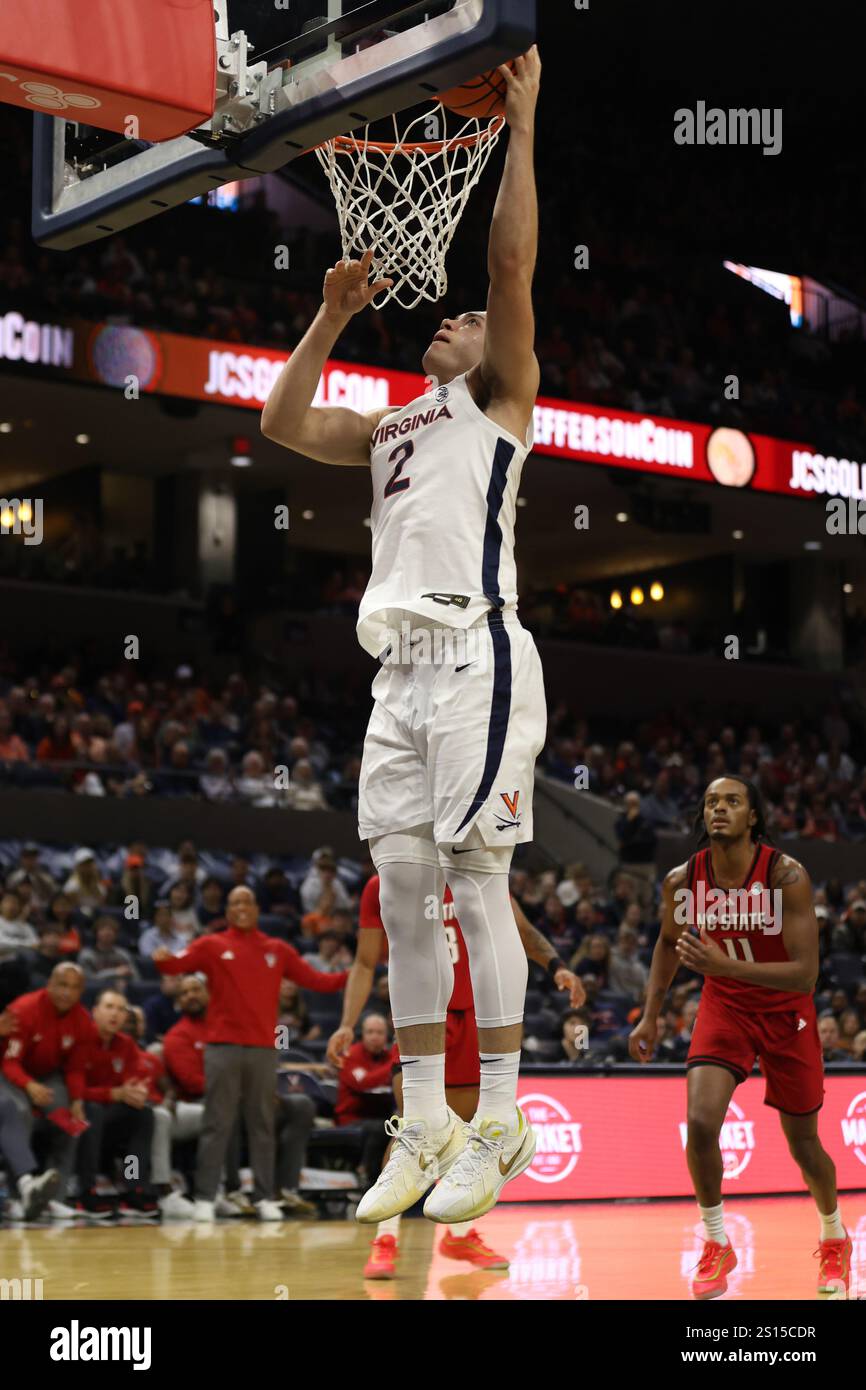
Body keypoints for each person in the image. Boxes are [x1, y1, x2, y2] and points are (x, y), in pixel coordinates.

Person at [262, 48, 545, 1224]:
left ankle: (503, 1115)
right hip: (399, 678)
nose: (458, 315)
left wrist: (522, 131)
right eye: (455, 313)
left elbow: (510, 260)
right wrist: (328, 314)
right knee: (405, 887)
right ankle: (424, 1115)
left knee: (478, 881)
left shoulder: (503, 401)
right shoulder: (387, 429)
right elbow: (281, 422)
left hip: (478, 652)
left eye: (471, 319)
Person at [629, 776, 851, 1299]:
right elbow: (666, 942)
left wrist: (723, 963)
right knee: (701, 1124)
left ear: (753, 816)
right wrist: (650, 1014)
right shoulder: (683, 880)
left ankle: (834, 1235)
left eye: (732, 802)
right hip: (725, 1007)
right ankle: (715, 1242)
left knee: (804, 1146)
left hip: (785, 1015)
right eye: (711, 802)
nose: (719, 810)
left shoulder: (785, 875)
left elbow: (805, 975)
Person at [327, 873, 582, 1278]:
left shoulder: (472, 868)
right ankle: (385, 1241)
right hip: (423, 1017)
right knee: (413, 1132)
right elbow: (363, 961)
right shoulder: (384, 881)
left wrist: (557, 966)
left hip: (474, 1016)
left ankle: (459, 1236)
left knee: (466, 1138)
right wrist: (346, 1024)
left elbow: (517, 925)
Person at [152, 885, 346, 1222]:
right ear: (227, 911)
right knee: (217, 1122)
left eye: (246, 901)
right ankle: (205, 1197)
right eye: (234, 902)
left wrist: (355, 972)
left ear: (256, 909)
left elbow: (318, 980)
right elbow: (176, 965)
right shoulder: (212, 945)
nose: (241, 907)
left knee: (262, 1123)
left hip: (262, 1049)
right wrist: (162, 961)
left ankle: (263, 1197)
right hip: (222, 1048)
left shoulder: (277, 949)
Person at [0, 963, 96, 1214]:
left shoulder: (84, 1021)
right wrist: (29, 1085)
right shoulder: (23, 1010)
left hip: (47, 1076)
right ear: (50, 985)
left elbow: (75, 1069)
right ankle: (19, 1195)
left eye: (74, 988)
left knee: (71, 1122)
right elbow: (10, 1062)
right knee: (19, 1112)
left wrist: (76, 1100)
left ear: (82, 992)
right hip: (11, 1074)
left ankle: (56, 1198)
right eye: (62, 985)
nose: (67, 993)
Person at [77, 989, 159, 1219]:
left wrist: (138, 1092)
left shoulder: (126, 1044)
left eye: (121, 1009)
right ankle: (87, 1189)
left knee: (142, 1114)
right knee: (92, 1111)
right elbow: (75, 1089)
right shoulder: (81, 1039)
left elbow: (135, 1080)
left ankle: (132, 1186)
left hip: (109, 1117)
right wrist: (112, 1094)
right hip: (78, 1114)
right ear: (95, 1011)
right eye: (109, 1007)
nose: (115, 1014)